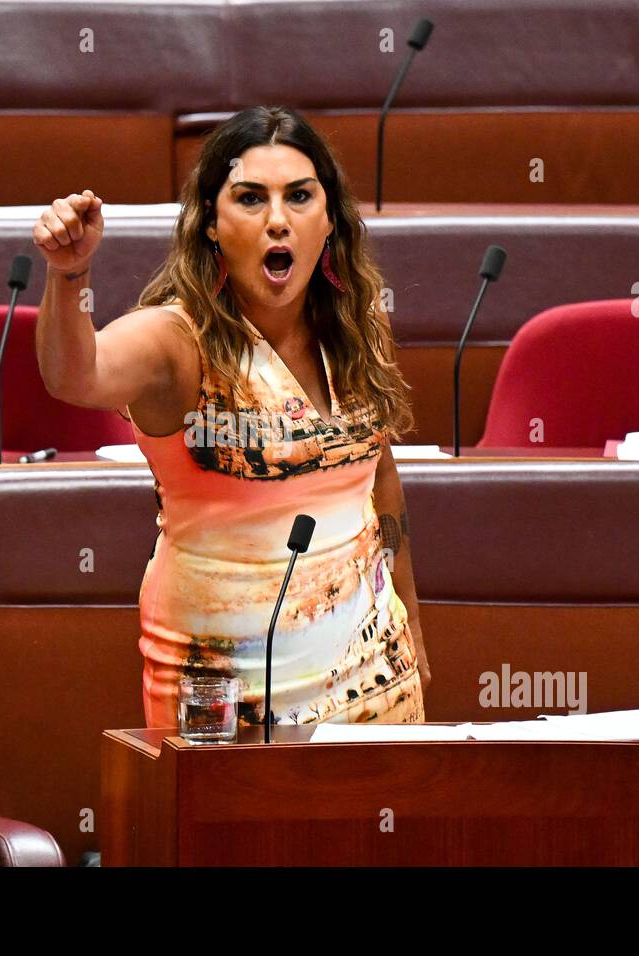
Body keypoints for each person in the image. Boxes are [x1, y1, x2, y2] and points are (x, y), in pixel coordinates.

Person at [34, 105, 429, 728]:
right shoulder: (176, 342)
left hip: (375, 676)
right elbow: (74, 375)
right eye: (250, 199)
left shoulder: (358, 325)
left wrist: (412, 625)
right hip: (227, 699)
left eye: (299, 196)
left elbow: (376, 479)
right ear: (211, 224)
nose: (278, 220)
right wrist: (68, 274)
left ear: (328, 219)